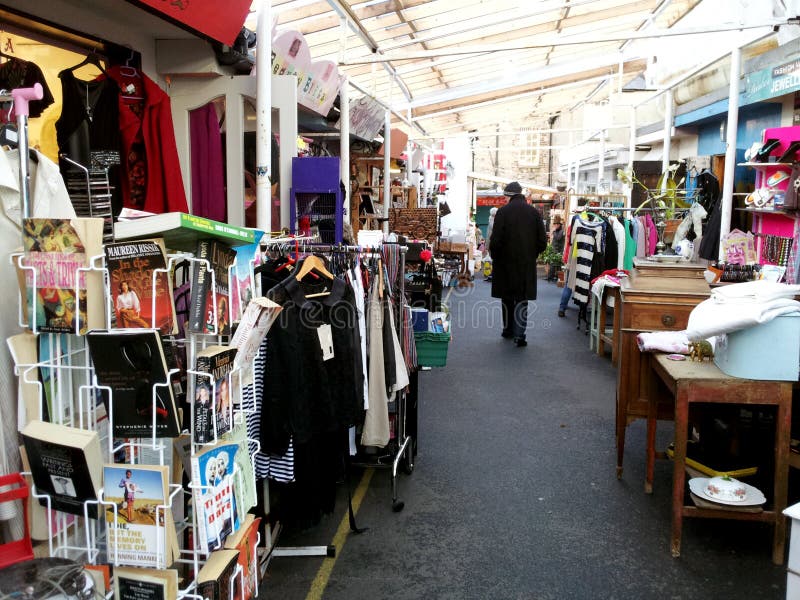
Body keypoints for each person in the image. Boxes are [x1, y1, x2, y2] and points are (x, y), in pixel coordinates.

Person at [488, 181, 547, 347]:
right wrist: (532, 253)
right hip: (526, 263)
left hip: (505, 263)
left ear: (508, 196)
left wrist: (496, 256)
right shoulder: (534, 213)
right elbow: (542, 241)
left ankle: (508, 329)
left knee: (507, 297)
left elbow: (496, 240)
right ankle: (520, 334)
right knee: (522, 298)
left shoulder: (502, 212)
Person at [547, 215, 565, 282]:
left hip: (558, 250)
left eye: (557, 224)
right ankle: (552, 277)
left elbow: (558, 238)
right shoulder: (557, 231)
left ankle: (554, 277)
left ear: (559, 224)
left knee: (556, 265)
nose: (555, 225)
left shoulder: (561, 231)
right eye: (555, 224)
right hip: (554, 249)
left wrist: (553, 232)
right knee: (554, 264)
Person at [483, 207, 498, 281]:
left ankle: (493, 274)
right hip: (491, 242)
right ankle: (492, 274)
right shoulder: (491, 219)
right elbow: (489, 233)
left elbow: (493, 229)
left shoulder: (494, 220)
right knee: (493, 259)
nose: (493, 216)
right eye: (492, 215)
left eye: (494, 215)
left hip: (493, 242)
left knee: (494, 259)